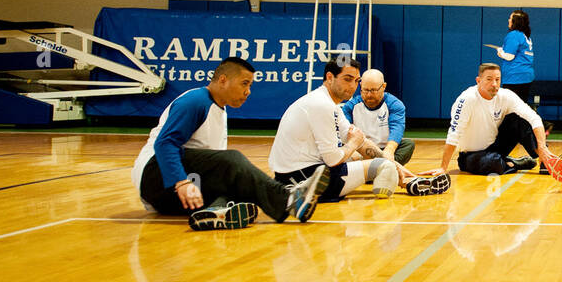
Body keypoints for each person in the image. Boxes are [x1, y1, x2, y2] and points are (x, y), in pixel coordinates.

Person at [132, 56, 328, 230]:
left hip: (174, 192)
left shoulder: (220, 110)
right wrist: (181, 182)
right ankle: (290, 201)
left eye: (250, 86)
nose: (248, 91)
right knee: (233, 160)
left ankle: (215, 211)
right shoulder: (195, 101)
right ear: (223, 80)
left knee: (242, 186)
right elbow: (165, 144)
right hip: (155, 176)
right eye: (244, 84)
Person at [270, 58, 447, 202]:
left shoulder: (326, 103)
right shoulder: (323, 105)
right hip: (304, 177)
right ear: (330, 77)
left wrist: (401, 168)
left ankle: (409, 180)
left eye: (356, 81)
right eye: (347, 79)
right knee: (383, 167)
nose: (353, 86)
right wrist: (353, 144)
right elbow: (334, 159)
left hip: (293, 174)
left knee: (388, 161)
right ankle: (399, 185)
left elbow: (363, 142)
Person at [438, 63, 558, 176]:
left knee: (520, 118)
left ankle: (545, 160)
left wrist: (542, 148)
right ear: (478, 81)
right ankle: (513, 163)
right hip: (471, 156)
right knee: (493, 165)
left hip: (496, 147)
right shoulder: (466, 100)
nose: (494, 84)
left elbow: (534, 119)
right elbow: (454, 133)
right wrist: (443, 168)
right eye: (489, 79)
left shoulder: (506, 96)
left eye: (497, 79)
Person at [342, 68, 415, 165]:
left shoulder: (395, 104)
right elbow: (344, 131)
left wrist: (389, 151)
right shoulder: (350, 106)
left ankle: (376, 167)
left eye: (373, 90)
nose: (369, 95)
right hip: (361, 149)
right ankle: (384, 167)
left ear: (383, 86)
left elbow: (397, 129)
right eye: (365, 90)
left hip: (384, 148)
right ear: (361, 86)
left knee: (408, 145)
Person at [487, 9, 535, 103]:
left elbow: (509, 56)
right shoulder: (525, 36)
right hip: (526, 77)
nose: (508, 20)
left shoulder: (514, 35)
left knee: (511, 109)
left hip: (514, 77)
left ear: (515, 21)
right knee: (521, 107)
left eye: (510, 18)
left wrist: (500, 52)